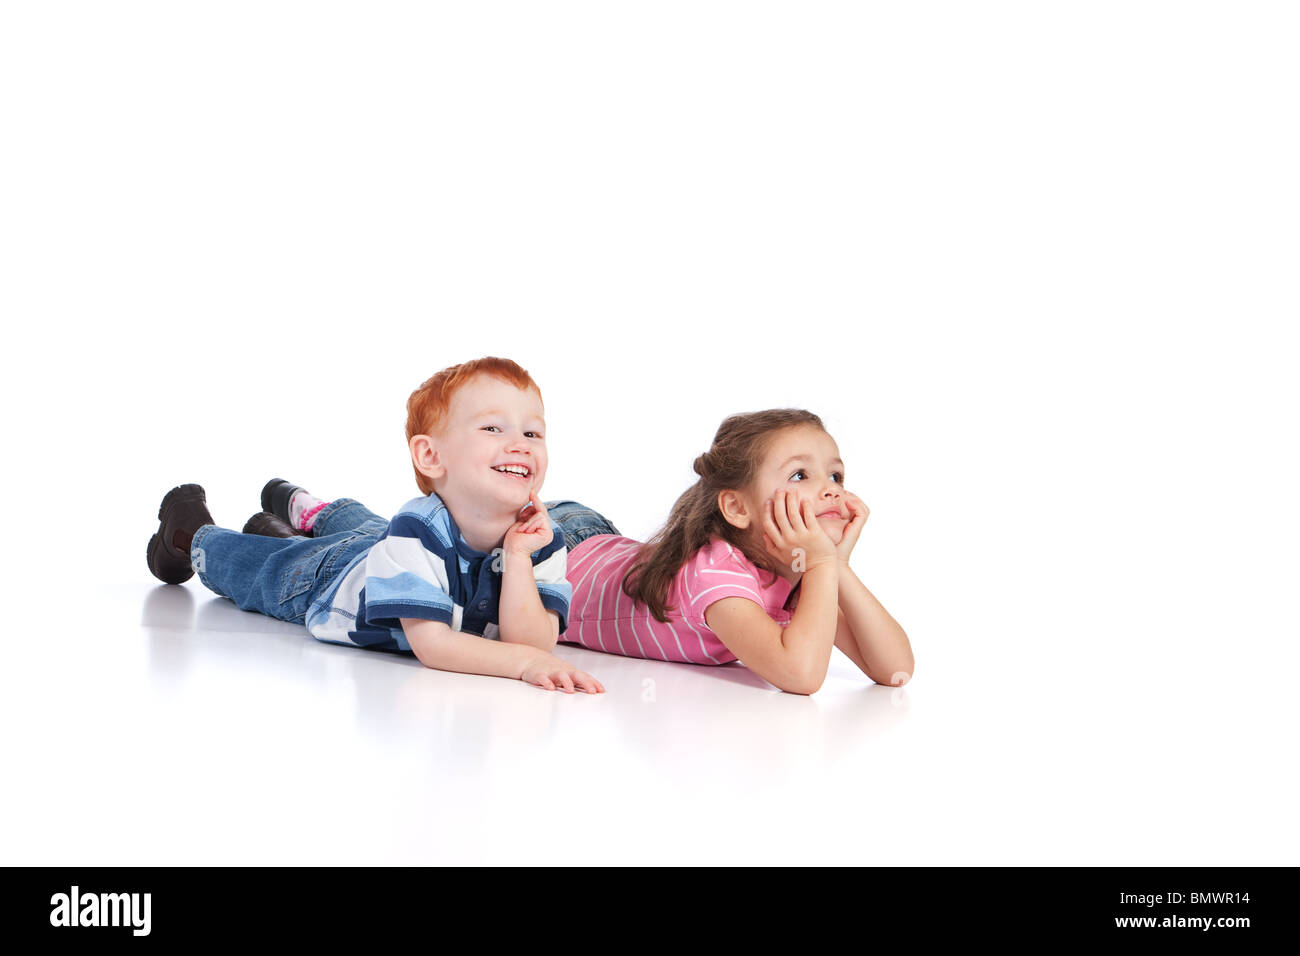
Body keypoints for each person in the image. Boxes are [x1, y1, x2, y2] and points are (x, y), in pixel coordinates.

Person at [145, 357, 605, 694]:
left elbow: (531, 640)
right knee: (264, 568)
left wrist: (520, 560)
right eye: (492, 429)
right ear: (431, 456)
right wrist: (522, 664)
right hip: (328, 580)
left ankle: (298, 511)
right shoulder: (418, 527)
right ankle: (190, 535)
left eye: (532, 433)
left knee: (368, 529)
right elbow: (435, 645)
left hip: (378, 551)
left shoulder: (540, 537)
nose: (520, 445)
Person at [559, 408, 914, 695]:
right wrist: (823, 563)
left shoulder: (802, 572)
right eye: (800, 475)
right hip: (556, 550)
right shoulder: (716, 573)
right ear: (738, 508)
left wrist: (837, 566)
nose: (830, 490)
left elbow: (894, 669)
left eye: (835, 476)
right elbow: (800, 675)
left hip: (599, 544)